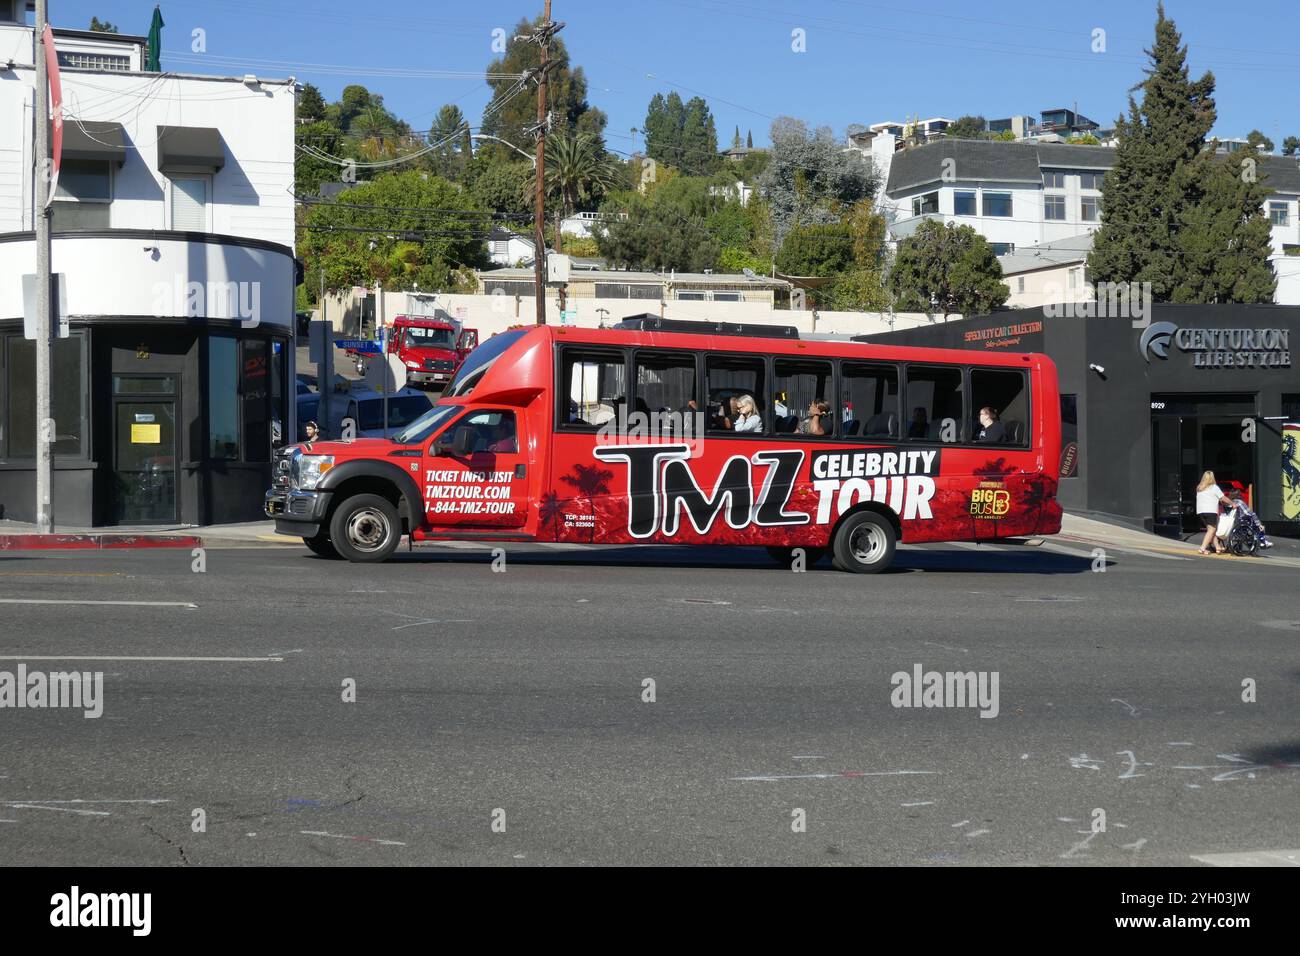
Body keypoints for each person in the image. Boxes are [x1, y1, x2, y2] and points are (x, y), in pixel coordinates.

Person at [1195, 470, 1233, 555]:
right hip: (1210, 511)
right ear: (1212, 478)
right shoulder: (1214, 487)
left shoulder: (1199, 488)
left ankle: (1218, 547)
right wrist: (1233, 504)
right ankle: (1202, 548)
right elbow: (1223, 498)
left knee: (1211, 530)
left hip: (1201, 511)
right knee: (1212, 530)